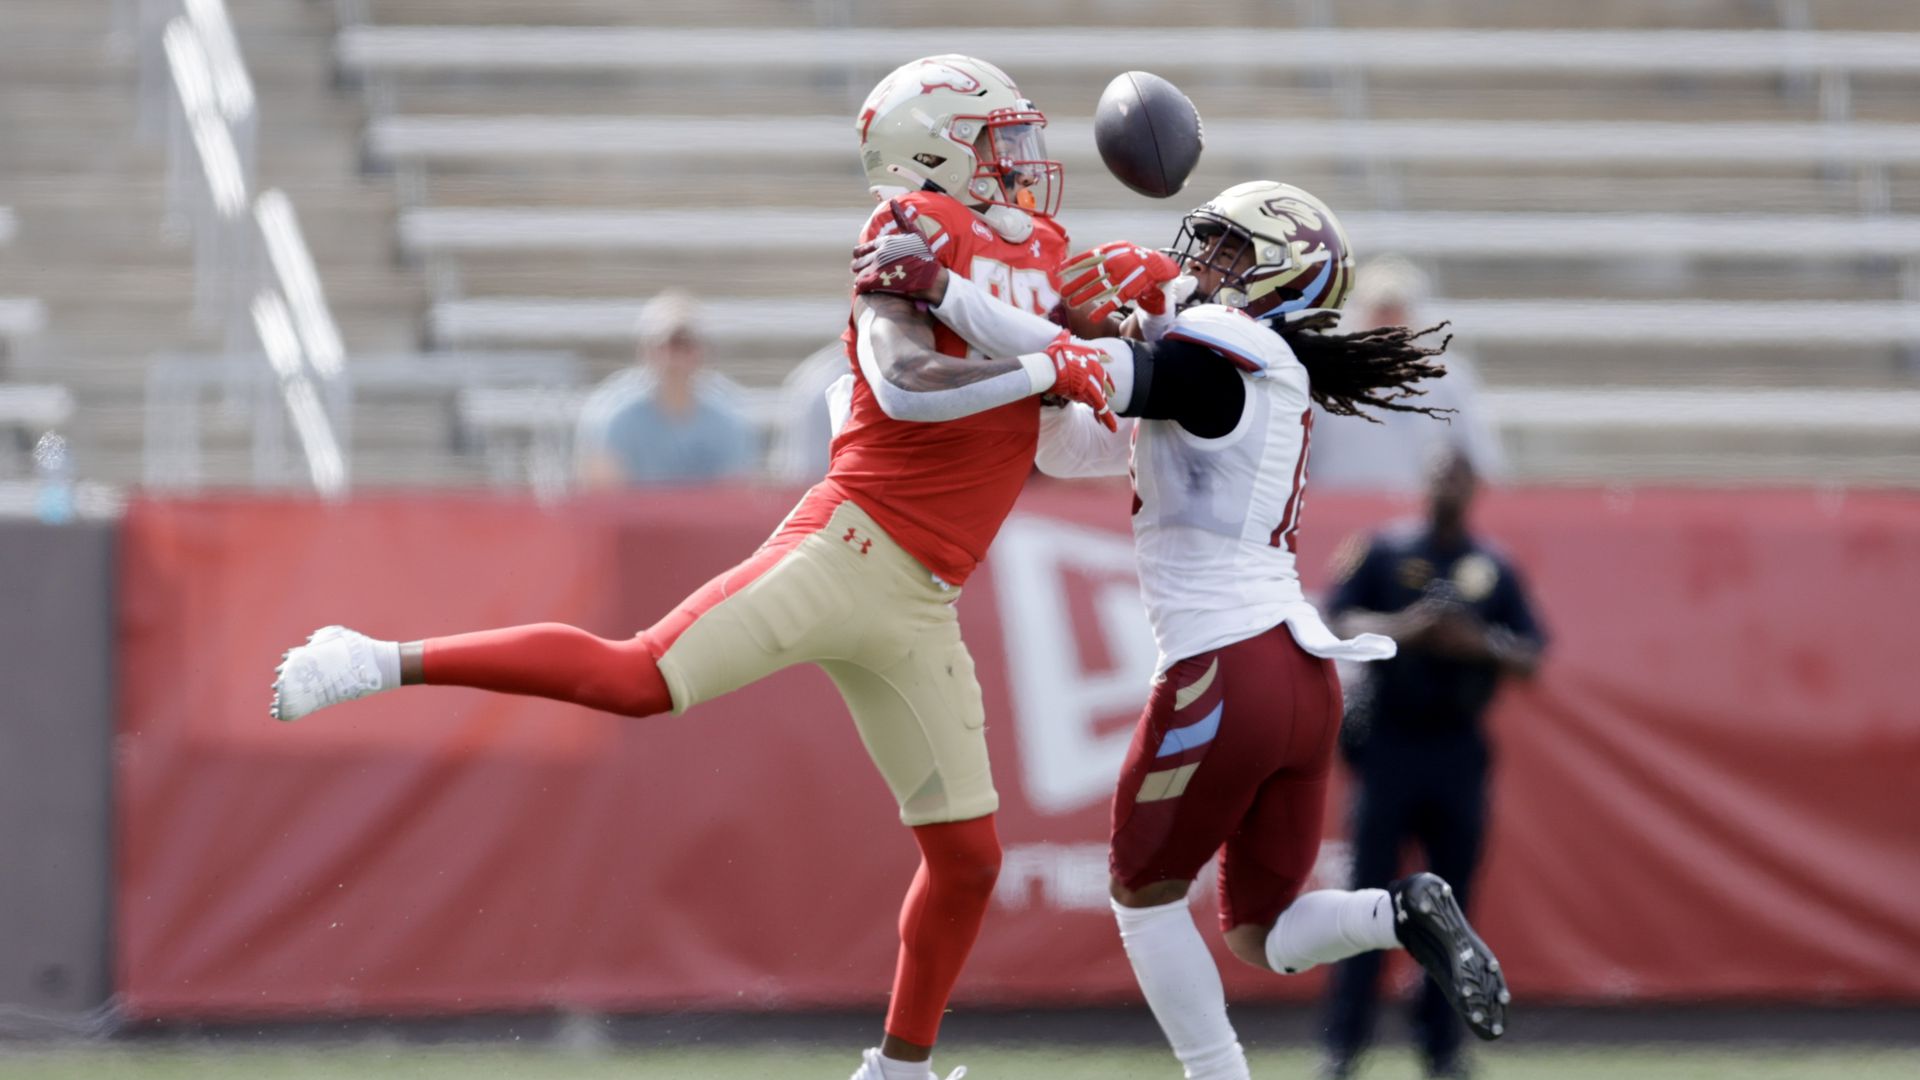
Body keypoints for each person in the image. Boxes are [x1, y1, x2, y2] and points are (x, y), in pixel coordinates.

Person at [269, 54, 1125, 1080]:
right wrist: (1051, 361)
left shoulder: (1033, 257)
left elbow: (1067, 448)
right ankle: (375, 658)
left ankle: (894, 1071)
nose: (1023, 160)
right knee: (637, 679)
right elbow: (907, 385)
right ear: (937, 145)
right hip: (847, 548)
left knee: (969, 861)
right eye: (1001, 139)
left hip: (926, 601)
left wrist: (1141, 379)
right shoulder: (912, 235)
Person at [860, 180, 1511, 1080]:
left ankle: (1217, 1076)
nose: (1201, 263)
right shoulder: (1251, 365)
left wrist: (948, 295)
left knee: (1141, 895)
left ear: (1283, 279)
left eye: (1232, 253)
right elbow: (1073, 437)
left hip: (1224, 663)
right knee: (1264, 932)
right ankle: (1400, 912)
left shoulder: (1227, 349)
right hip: (1298, 675)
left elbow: (1079, 366)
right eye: (1204, 243)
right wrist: (1069, 353)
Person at [1321, 446, 1546, 1080]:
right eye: (1439, 473)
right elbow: (1334, 618)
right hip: (1389, 745)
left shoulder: (1493, 567)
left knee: (1453, 911)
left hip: (1456, 749)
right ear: (1424, 483)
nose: (1448, 484)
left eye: (1459, 474)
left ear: (1474, 487)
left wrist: (1477, 644)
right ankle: (1343, 1045)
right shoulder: (1384, 551)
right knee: (1364, 902)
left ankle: (1443, 1050)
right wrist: (1407, 629)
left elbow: (1531, 654)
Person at [1306, 256, 1505, 492]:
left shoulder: (1448, 381)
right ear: (1361, 315)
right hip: (1340, 515)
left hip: (1421, 519)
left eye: (1396, 312)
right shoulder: (1324, 379)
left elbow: (1482, 463)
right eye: (1380, 313)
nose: (1388, 325)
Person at [573, 289, 760, 488]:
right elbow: (603, 494)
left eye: (685, 346)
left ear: (703, 352)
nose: (674, 358)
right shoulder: (614, 416)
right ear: (646, 351)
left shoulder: (729, 419)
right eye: (666, 346)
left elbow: (735, 495)